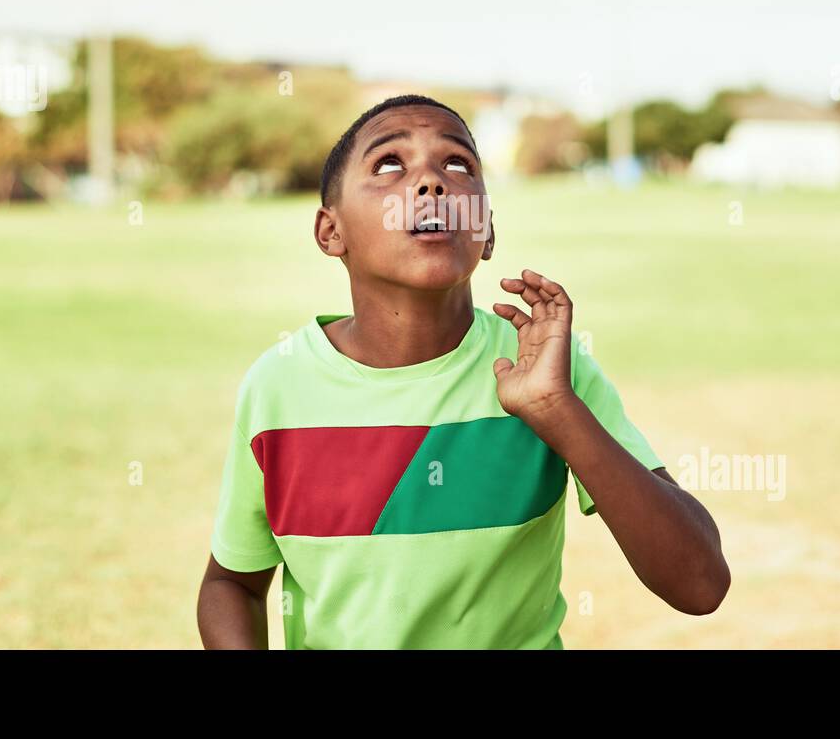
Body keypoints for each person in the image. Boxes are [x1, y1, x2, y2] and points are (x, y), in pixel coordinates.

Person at [196, 94, 729, 648]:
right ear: (331, 232)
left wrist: (556, 410)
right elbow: (231, 584)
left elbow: (700, 584)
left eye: (458, 165)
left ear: (487, 230)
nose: (430, 183)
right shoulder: (279, 386)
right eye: (388, 165)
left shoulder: (546, 365)